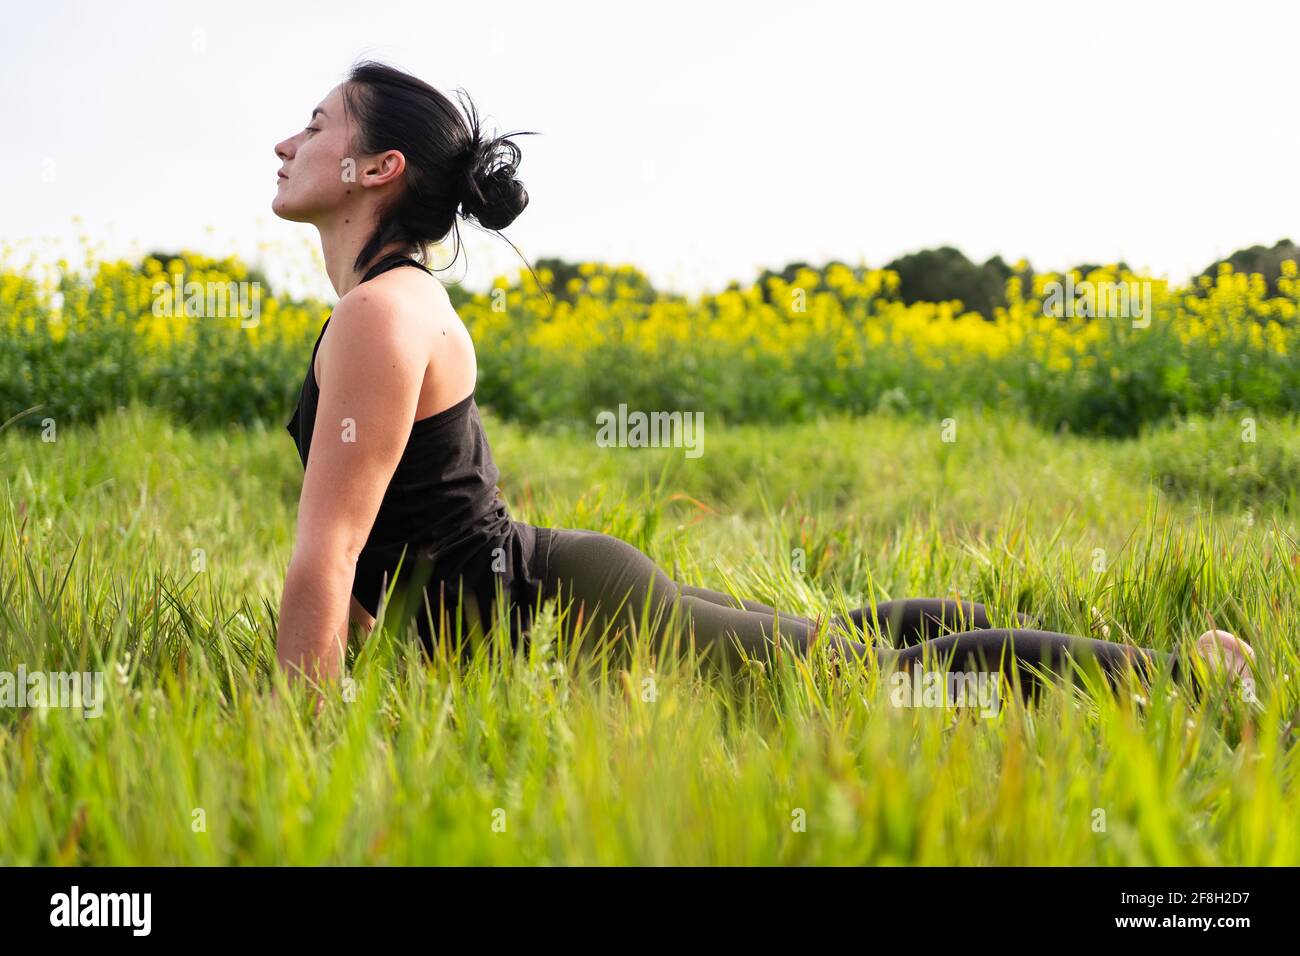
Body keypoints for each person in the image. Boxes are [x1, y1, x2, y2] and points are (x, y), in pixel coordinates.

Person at [271, 60, 1256, 699]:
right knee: (841, 653)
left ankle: (1183, 679)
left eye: (313, 125)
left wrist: (304, 746)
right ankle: (972, 620)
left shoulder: (379, 313)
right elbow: (368, 563)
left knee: (864, 686)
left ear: (376, 167)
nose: (286, 143)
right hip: (546, 602)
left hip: (565, 611)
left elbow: (330, 554)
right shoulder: (383, 307)